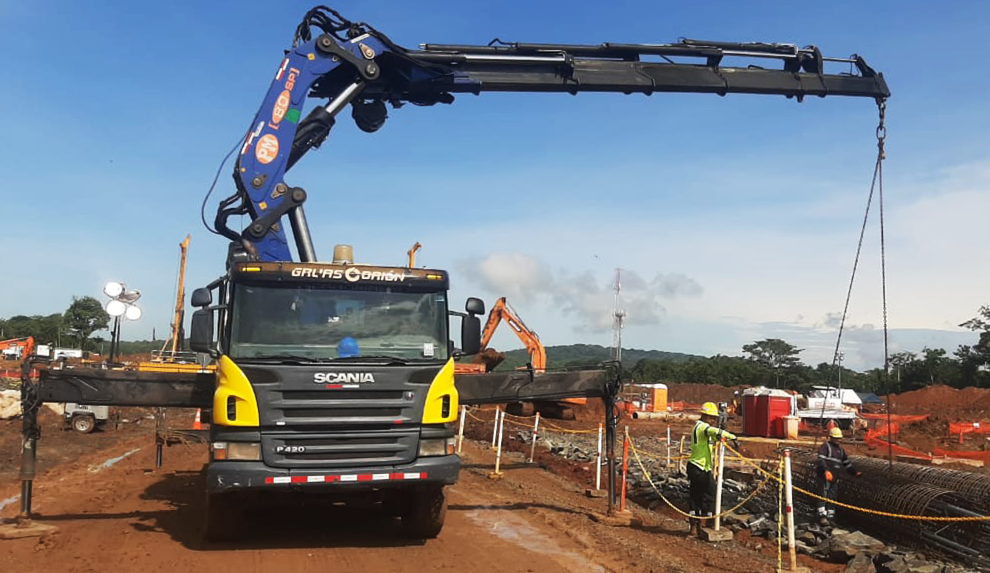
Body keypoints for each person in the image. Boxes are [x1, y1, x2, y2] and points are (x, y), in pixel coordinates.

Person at [688, 401, 738, 537]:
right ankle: (705, 521)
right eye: (711, 417)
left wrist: (721, 437)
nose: (713, 420)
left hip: (700, 466)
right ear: (704, 416)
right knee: (708, 492)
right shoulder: (702, 427)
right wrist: (732, 436)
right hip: (698, 467)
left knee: (699, 495)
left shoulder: (701, 428)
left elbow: (713, 435)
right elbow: (712, 431)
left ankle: (697, 524)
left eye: (714, 418)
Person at [816, 426, 861, 525]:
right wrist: (826, 471)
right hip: (825, 477)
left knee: (832, 496)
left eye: (838, 438)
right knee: (823, 495)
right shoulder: (825, 446)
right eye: (835, 438)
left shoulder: (840, 450)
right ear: (831, 437)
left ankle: (830, 517)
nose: (837, 440)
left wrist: (854, 472)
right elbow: (821, 460)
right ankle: (822, 516)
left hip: (834, 478)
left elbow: (846, 463)